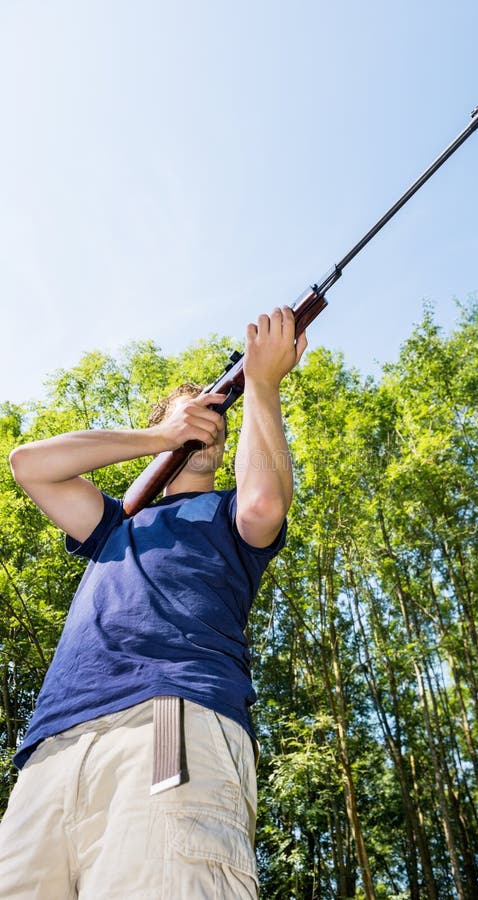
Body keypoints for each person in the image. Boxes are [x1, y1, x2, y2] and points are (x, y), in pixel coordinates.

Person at [0, 306, 307, 899]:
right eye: (193, 412)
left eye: (222, 412)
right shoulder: (115, 524)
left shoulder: (227, 516)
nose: (210, 422)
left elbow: (265, 504)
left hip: (171, 718)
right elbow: (29, 465)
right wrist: (162, 436)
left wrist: (262, 383)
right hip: (49, 754)